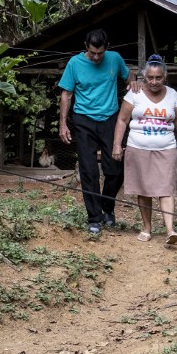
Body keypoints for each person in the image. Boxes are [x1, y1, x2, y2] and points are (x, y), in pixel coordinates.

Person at [59, 29, 136, 235]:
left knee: (115, 169)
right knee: (89, 170)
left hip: (110, 119)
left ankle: (107, 208)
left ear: (106, 48)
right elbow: (66, 94)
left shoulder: (114, 59)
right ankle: (94, 217)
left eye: (100, 53)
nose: (96, 57)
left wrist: (133, 82)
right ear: (86, 46)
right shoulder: (75, 63)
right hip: (83, 120)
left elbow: (130, 77)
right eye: (92, 53)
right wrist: (63, 124)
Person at [112, 54, 177, 244]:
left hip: (166, 148)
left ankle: (170, 230)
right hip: (138, 147)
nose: (154, 81)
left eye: (158, 78)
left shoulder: (173, 95)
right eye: (150, 78)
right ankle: (146, 228)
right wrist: (117, 144)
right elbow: (122, 120)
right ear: (144, 77)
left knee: (166, 189)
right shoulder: (134, 93)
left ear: (164, 77)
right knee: (144, 189)